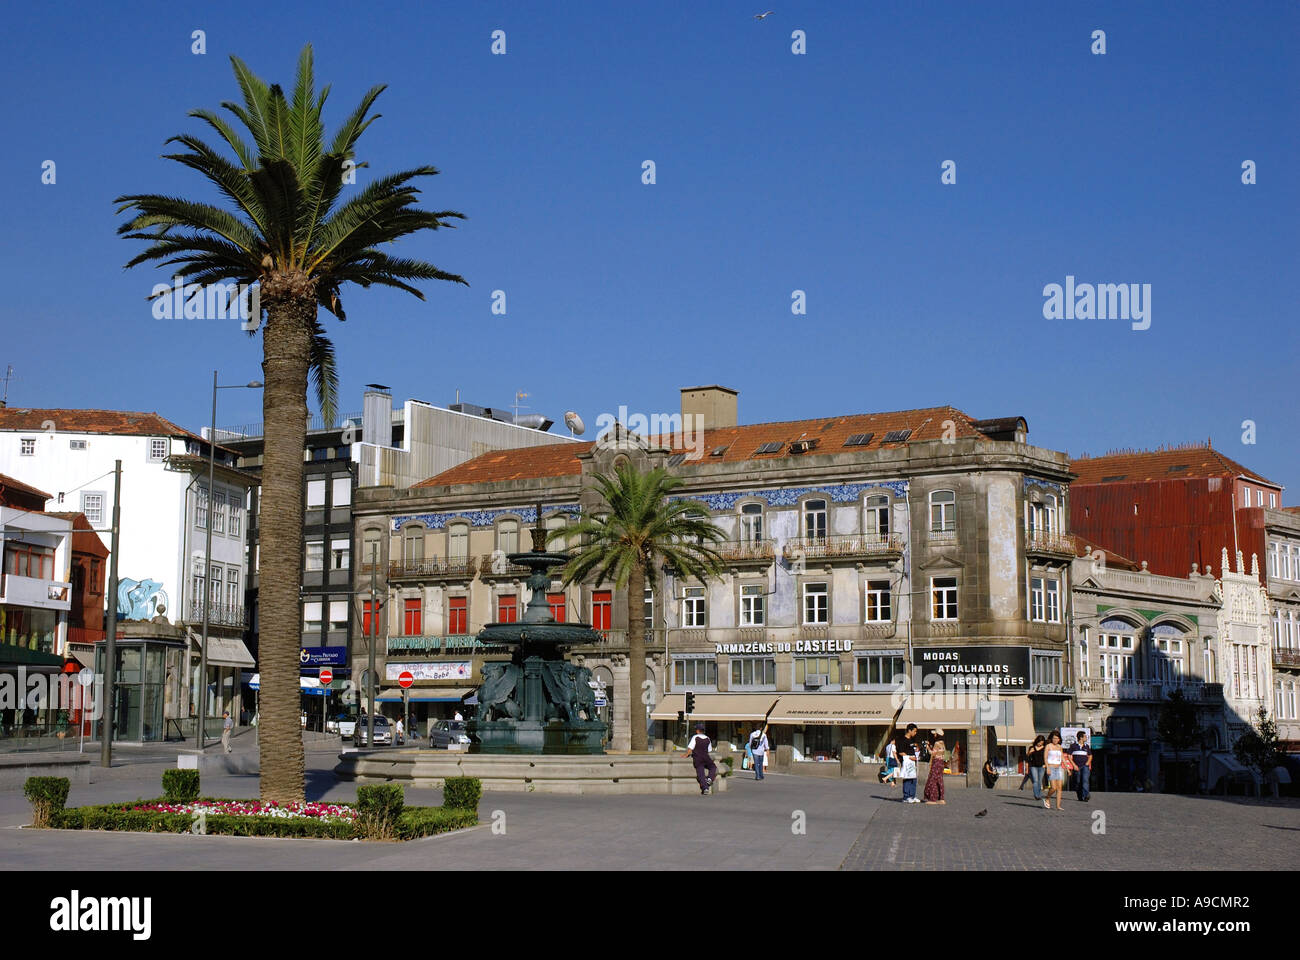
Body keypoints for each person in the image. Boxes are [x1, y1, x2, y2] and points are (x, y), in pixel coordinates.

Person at [683, 723, 717, 795]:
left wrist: (685, 755)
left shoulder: (695, 737)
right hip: (706, 757)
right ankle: (710, 778)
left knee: (700, 773)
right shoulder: (707, 738)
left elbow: (690, 748)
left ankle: (705, 788)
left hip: (697, 758)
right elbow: (709, 750)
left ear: (698, 731)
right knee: (713, 767)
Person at [1044, 729, 1068, 809]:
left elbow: (1062, 758)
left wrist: (1067, 768)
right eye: (1054, 738)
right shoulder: (1048, 746)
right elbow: (1045, 758)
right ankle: (1047, 798)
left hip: (1059, 768)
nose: (1055, 740)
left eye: (1057, 738)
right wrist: (1047, 768)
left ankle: (1058, 806)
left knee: (1059, 788)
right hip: (1051, 767)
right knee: (1053, 787)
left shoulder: (1059, 747)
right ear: (1051, 738)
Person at [898, 723, 921, 803]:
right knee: (907, 778)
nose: (915, 733)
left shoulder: (912, 740)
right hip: (907, 762)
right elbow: (901, 752)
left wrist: (916, 749)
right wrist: (909, 757)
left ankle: (912, 796)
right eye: (914, 731)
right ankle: (906, 797)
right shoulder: (902, 740)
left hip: (913, 761)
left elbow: (912, 748)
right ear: (909, 730)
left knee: (913, 779)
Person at [922, 737, 947, 804]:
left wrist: (928, 748)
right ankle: (941, 798)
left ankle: (933, 798)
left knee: (933, 780)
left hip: (936, 762)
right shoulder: (942, 744)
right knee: (940, 780)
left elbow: (933, 753)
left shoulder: (937, 743)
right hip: (941, 762)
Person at [1070, 731, 1092, 801]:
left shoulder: (1086, 746)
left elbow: (1090, 756)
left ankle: (1086, 795)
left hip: (1085, 766)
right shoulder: (1073, 746)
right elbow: (1068, 756)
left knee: (1085, 780)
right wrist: (1074, 765)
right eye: (1085, 736)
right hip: (1077, 767)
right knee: (1078, 782)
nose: (1086, 738)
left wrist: (1087, 763)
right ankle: (1080, 795)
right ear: (1081, 738)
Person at [1024, 735, 1046, 802]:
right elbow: (1027, 758)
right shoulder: (1032, 747)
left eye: (1042, 743)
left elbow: (1047, 757)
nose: (1040, 744)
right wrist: (1030, 752)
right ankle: (1036, 795)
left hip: (1042, 767)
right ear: (1037, 741)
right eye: (1039, 742)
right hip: (1033, 766)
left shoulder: (1045, 748)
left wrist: (1045, 764)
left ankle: (1039, 794)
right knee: (1035, 781)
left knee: (1039, 781)